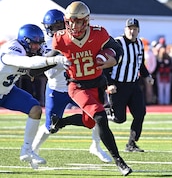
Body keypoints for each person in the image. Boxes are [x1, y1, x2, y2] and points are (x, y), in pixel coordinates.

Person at [48, 1, 132, 176]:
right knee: (101, 117)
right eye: (71, 21)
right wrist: (30, 69)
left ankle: (61, 122)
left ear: (86, 21)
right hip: (77, 86)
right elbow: (49, 58)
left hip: (97, 84)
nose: (74, 25)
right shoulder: (60, 38)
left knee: (90, 122)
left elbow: (117, 49)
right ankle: (119, 161)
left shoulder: (98, 33)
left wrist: (111, 59)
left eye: (78, 21)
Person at [32, 9, 112, 163]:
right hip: (57, 88)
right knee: (50, 127)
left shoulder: (75, 37)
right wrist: (62, 62)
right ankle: (32, 150)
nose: (60, 29)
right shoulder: (50, 44)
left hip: (79, 86)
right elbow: (50, 71)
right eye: (55, 27)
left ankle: (96, 146)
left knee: (97, 115)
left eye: (61, 25)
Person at [0, 24, 69, 167]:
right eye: (34, 44)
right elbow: (28, 63)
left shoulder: (31, 50)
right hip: (5, 89)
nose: (36, 47)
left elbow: (45, 58)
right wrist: (54, 60)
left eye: (39, 44)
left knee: (35, 109)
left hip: (7, 91)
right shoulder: (11, 50)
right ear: (24, 41)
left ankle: (27, 150)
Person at [104, 18, 154, 152]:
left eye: (135, 29)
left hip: (133, 84)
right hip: (118, 85)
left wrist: (147, 76)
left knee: (140, 113)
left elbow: (140, 64)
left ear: (138, 31)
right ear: (125, 29)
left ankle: (131, 144)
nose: (132, 31)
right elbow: (106, 65)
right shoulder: (117, 43)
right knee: (119, 119)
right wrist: (109, 84)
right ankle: (104, 112)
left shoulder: (139, 44)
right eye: (130, 28)